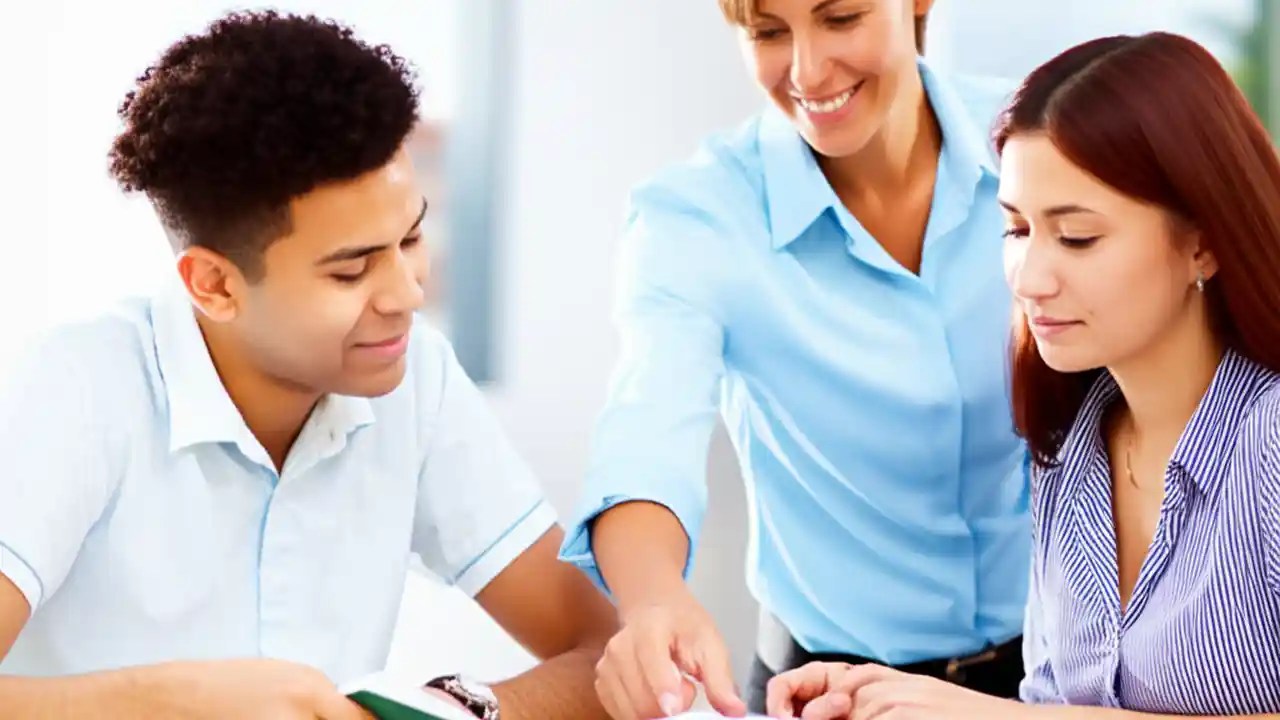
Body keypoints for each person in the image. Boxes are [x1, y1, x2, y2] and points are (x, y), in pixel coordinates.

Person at [0, 12, 617, 719]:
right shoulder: (78, 390)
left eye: (411, 237)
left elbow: (611, 654)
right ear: (214, 285)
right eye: (351, 272)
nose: (407, 294)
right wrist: (170, 700)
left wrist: (454, 708)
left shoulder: (416, 378)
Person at [764, 31, 1280, 719]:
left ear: (1203, 243)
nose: (1030, 279)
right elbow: (1049, 701)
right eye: (1015, 231)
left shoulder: (1268, 447)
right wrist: (899, 699)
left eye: (1076, 237)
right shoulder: (1073, 450)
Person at [558, 0, 1033, 717]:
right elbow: (646, 428)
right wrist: (653, 599)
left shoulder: (1036, 144)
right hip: (825, 692)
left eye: (840, 18)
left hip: (1053, 678)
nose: (807, 72)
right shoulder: (696, 216)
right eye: (769, 33)